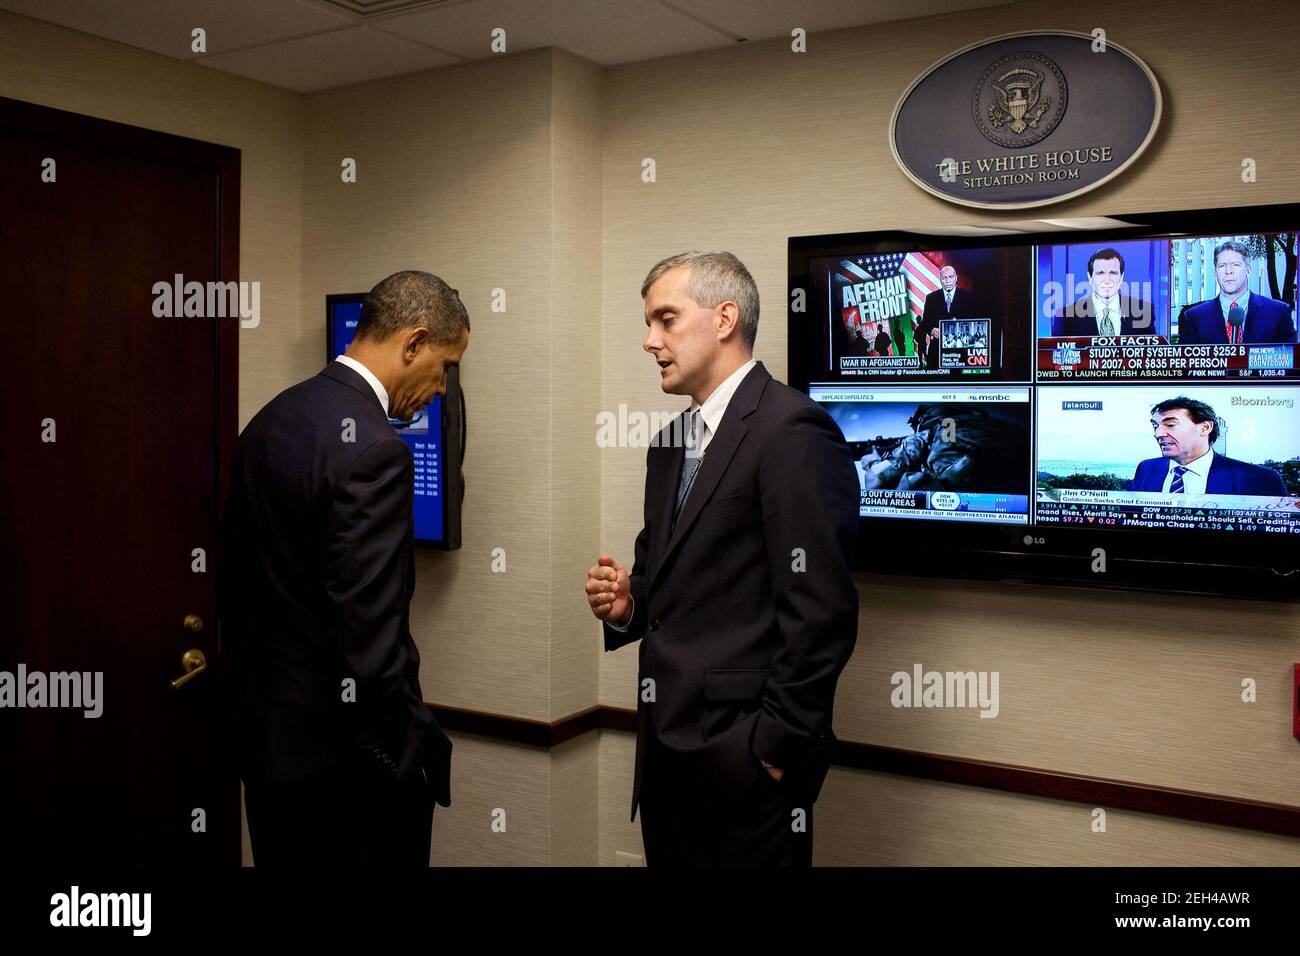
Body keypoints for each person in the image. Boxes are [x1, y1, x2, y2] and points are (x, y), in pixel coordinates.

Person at [586, 251, 859, 867]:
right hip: (664, 762)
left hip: (747, 771)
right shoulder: (668, 444)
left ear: (724, 318)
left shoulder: (793, 431)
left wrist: (773, 753)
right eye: (647, 323)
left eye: (665, 318)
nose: (649, 340)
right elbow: (660, 581)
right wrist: (628, 605)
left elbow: (822, 614)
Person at [222, 270, 469, 866]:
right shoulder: (377, 451)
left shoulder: (270, 420)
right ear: (412, 344)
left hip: (271, 755)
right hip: (347, 774)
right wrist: (406, 754)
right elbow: (368, 639)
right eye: (444, 366)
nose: (440, 391)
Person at [1127, 396, 1286, 496]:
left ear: (1204, 428)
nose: (1158, 434)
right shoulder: (1146, 469)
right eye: (1156, 426)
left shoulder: (1259, 479)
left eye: (1170, 425)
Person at [1178, 240, 1297, 344]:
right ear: (1215, 273)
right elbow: (1184, 366)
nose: (1228, 271)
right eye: (1222, 266)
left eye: (1236, 265)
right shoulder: (1194, 316)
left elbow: (1291, 362)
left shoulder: (1278, 312)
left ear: (1248, 271)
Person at [1051, 248, 1153, 337]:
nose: (1107, 280)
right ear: (1090, 278)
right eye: (1100, 273)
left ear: (1121, 277)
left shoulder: (1143, 311)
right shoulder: (1066, 317)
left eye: (1113, 273)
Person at [916, 265, 973, 369]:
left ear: (956, 278)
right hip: (937, 351)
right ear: (940, 279)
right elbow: (925, 323)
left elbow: (975, 321)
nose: (947, 281)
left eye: (950, 277)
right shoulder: (931, 298)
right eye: (944, 278)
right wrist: (932, 330)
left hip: (961, 350)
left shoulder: (968, 296)